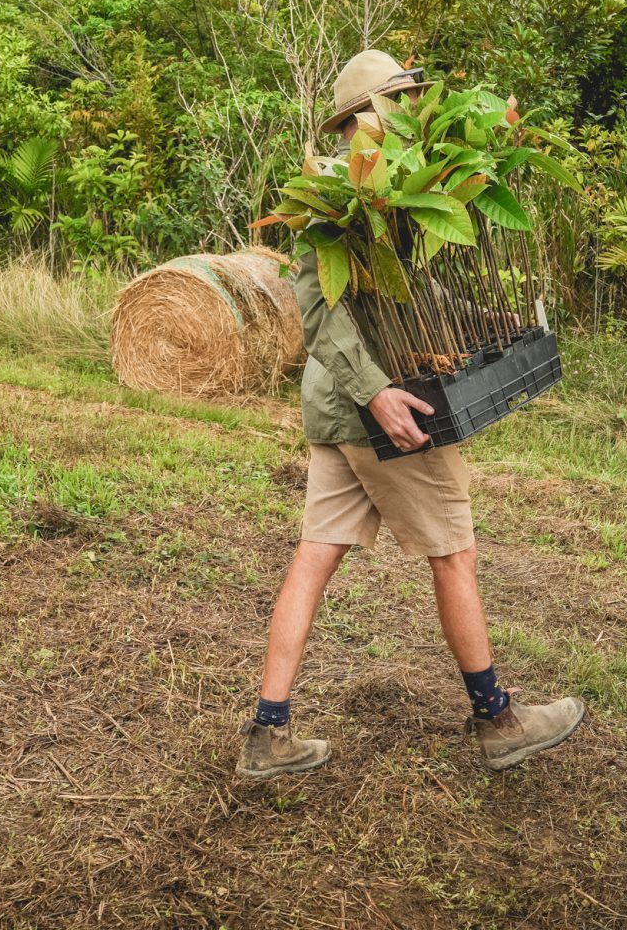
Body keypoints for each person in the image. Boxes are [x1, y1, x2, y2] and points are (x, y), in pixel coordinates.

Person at [238, 49, 587, 779]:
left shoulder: (391, 189)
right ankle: (498, 719)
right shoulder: (333, 196)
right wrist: (375, 393)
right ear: (362, 118)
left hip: (337, 414)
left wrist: (474, 314)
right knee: (454, 552)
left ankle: (267, 734)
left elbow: (404, 297)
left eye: (409, 97)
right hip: (378, 409)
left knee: (316, 554)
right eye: (395, 100)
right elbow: (319, 311)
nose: (406, 110)